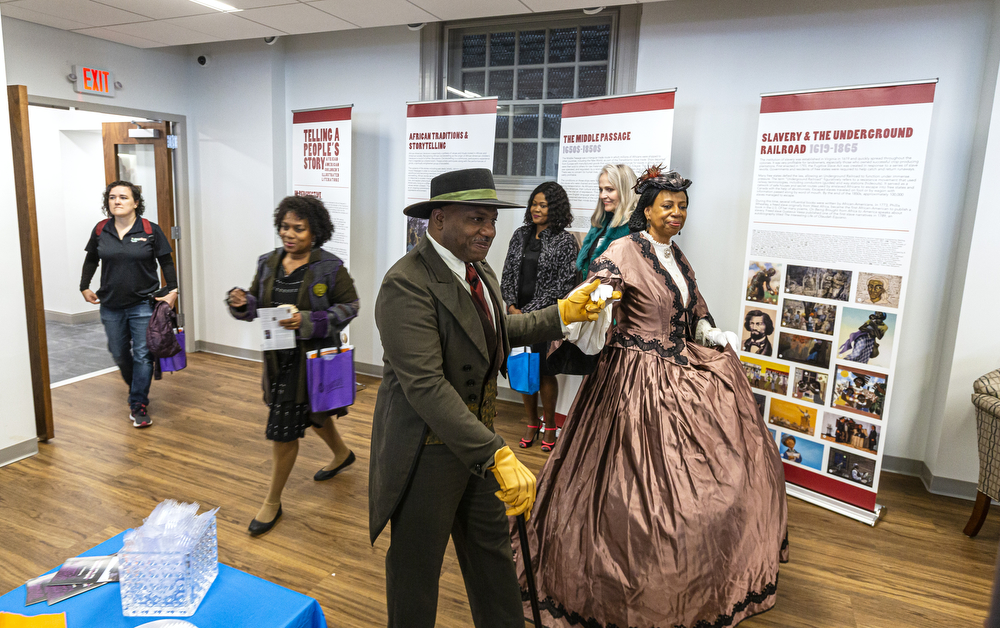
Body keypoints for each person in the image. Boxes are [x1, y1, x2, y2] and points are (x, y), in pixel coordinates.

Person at [517, 166, 788, 628]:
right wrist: (594, 305)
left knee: (728, 469)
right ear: (646, 210)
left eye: (683, 206)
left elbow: (691, 310)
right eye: (668, 206)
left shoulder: (677, 257)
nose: (678, 213)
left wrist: (709, 332)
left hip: (678, 372)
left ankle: (706, 570)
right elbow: (595, 305)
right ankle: (633, 578)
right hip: (632, 380)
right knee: (630, 487)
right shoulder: (623, 250)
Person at [369, 168, 611, 628]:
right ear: (438, 220)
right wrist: (496, 452)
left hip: (476, 444)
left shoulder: (477, 271)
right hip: (426, 450)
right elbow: (425, 385)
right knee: (415, 574)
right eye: (477, 219)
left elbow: (497, 332)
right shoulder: (406, 283)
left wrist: (561, 314)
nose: (489, 231)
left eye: (492, 220)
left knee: (492, 559)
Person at [227, 195, 359, 536]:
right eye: (285, 227)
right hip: (277, 358)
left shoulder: (330, 267)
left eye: (298, 229)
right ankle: (342, 454)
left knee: (283, 430)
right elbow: (257, 303)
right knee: (314, 415)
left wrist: (309, 320)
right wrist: (241, 302)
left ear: (314, 233)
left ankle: (272, 501)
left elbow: (350, 306)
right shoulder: (267, 262)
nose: (289, 234)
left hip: (312, 360)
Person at [80, 180, 177, 428]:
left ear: (135, 202)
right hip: (110, 303)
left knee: (143, 355)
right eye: (112, 197)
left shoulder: (149, 230)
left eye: (123, 197)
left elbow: (166, 262)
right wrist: (84, 286)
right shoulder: (101, 229)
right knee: (119, 352)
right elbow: (92, 259)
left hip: (143, 304)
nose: (117, 201)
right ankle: (138, 386)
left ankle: (138, 404)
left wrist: (173, 291)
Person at [500, 181, 579, 452]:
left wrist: (531, 312)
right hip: (516, 315)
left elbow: (564, 285)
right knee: (523, 367)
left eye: (543, 205)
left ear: (554, 208)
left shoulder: (565, 240)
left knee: (545, 372)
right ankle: (531, 422)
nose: (536, 209)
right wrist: (511, 306)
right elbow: (507, 273)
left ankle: (549, 425)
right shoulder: (520, 235)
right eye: (534, 203)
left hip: (546, 317)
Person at [575, 163, 638, 275]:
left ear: (625, 191)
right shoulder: (601, 223)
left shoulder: (635, 229)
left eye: (609, 189)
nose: (602, 196)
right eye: (601, 190)